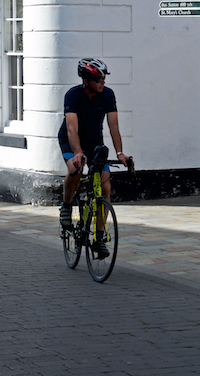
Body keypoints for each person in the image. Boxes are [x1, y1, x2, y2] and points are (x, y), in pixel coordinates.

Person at [59, 58, 131, 258]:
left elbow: (113, 126)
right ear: (86, 80)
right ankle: (66, 206)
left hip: (95, 143)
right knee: (75, 169)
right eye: (98, 79)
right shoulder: (73, 95)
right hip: (70, 141)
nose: (103, 83)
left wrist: (119, 153)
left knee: (105, 187)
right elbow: (72, 128)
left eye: (103, 79)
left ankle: (99, 237)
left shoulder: (107, 95)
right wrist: (78, 152)